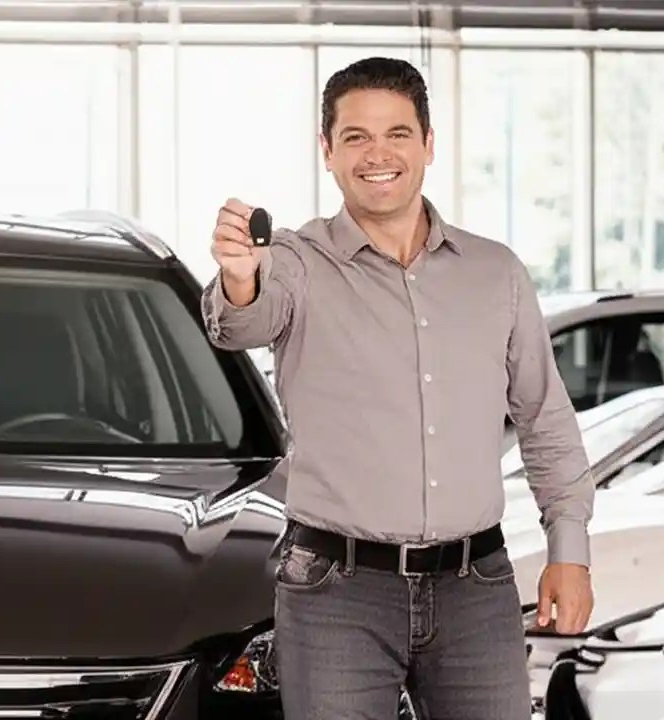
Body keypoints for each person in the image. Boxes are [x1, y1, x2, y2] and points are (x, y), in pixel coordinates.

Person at [201, 57, 595, 719]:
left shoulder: (494, 274)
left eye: (397, 134)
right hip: (336, 592)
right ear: (327, 151)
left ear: (429, 144)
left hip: (478, 586)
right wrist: (240, 275)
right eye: (355, 136)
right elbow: (242, 321)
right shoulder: (297, 262)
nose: (377, 154)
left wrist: (571, 551)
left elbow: (545, 418)